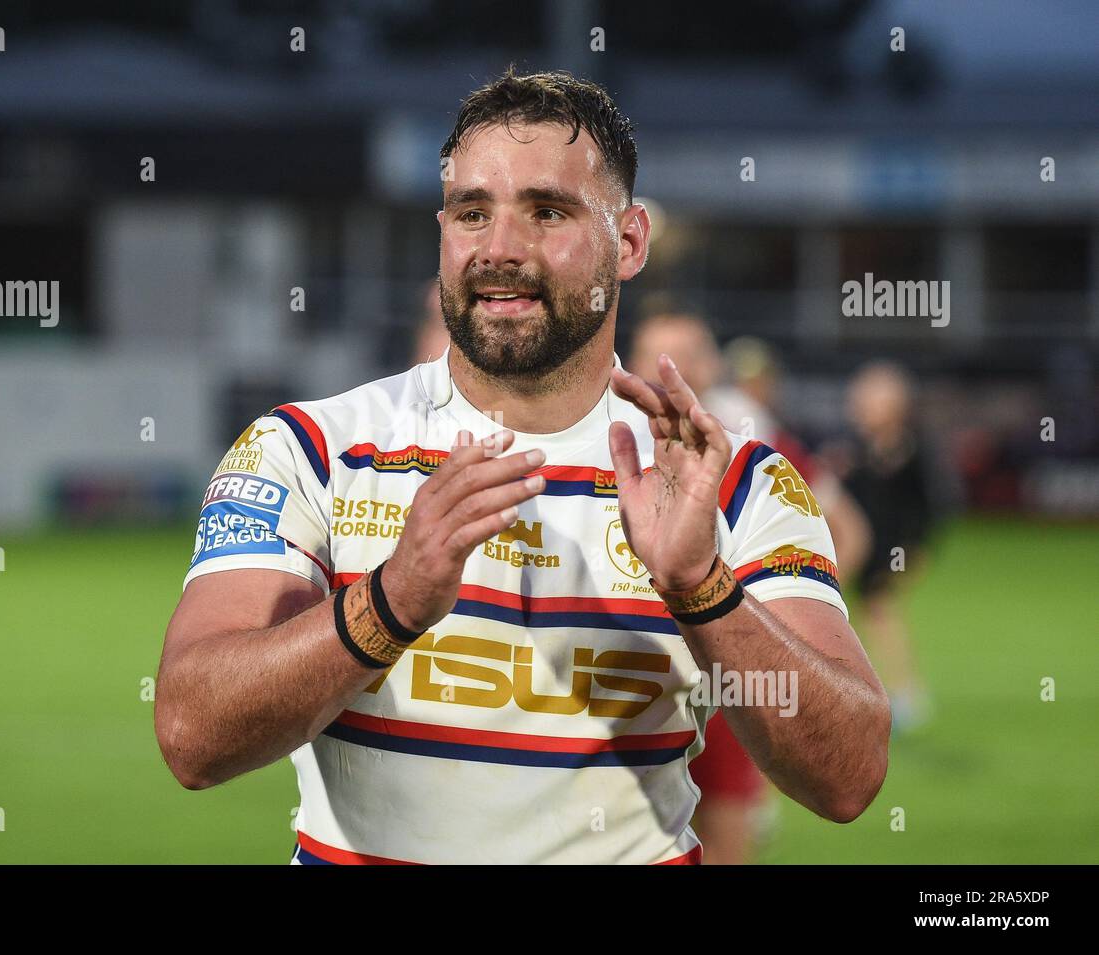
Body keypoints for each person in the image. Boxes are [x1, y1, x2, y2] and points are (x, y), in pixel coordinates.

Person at [155, 68, 890, 864]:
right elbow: (192, 736)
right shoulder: (309, 448)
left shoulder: (730, 479)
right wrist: (390, 603)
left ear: (631, 241)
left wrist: (701, 589)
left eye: (548, 212)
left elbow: (848, 777)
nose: (500, 250)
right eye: (473, 212)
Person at [628, 314, 872, 864]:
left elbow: (848, 527)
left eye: (687, 353)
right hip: (634, 674)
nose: (675, 369)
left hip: (728, 673)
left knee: (724, 844)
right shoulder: (608, 435)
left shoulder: (751, 437)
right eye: (657, 354)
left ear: (713, 363)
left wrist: (803, 610)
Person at [831, 361, 937, 733]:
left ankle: (903, 691)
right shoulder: (857, 450)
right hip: (858, 548)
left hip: (893, 551)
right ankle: (870, 689)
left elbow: (930, 507)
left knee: (879, 611)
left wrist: (918, 550)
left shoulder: (911, 452)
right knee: (854, 615)